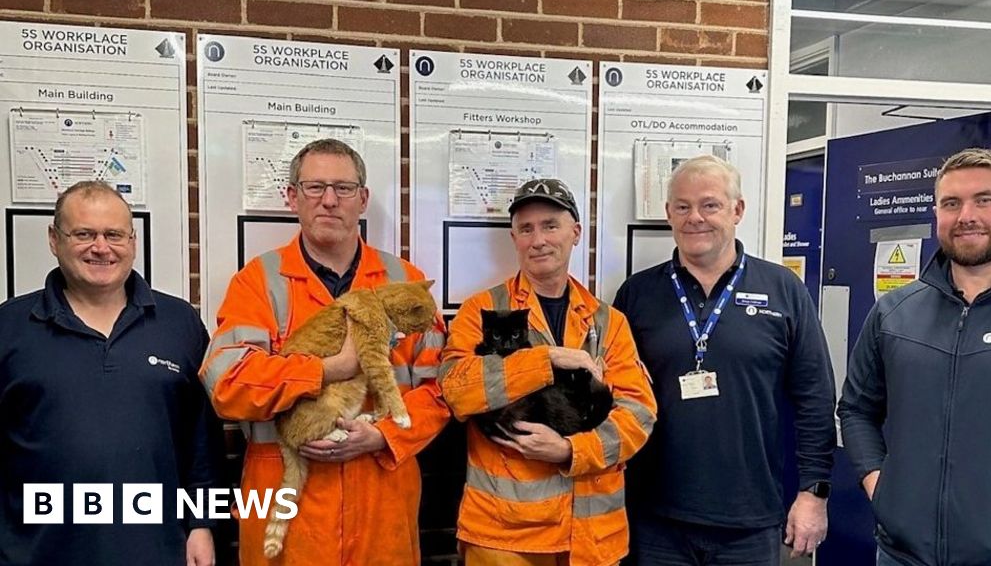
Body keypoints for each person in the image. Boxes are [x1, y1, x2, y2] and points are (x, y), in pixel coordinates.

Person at [200, 138, 449, 566]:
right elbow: (226, 384)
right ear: (293, 197)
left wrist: (384, 436)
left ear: (363, 199)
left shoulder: (404, 280)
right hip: (286, 491)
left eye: (344, 188)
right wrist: (328, 370)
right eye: (314, 187)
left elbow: (440, 390)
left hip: (382, 495)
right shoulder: (259, 281)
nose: (329, 200)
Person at [614, 155, 836, 565]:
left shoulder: (783, 289)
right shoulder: (637, 295)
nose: (695, 217)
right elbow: (617, 398)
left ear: (738, 210)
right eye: (682, 206)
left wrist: (814, 492)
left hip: (749, 522)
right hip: (656, 519)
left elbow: (815, 398)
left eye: (710, 205)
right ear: (668, 214)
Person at [0, 181, 220, 566]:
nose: (101, 247)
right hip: (35, 550)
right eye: (83, 234)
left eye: (114, 235)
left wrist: (202, 523)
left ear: (133, 241)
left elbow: (201, 437)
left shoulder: (179, 322)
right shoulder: (10, 326)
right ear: (54, 239)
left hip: (157, 547)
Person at [440, 178, 657, 566]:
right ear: (514, 238)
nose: (538, 239)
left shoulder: (609, 322)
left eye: (550, 225)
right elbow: (456, 390)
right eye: (526, 229)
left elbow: (639, 413)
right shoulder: (483, 310)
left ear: (575, 233)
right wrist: (545, 361)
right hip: (504, 538)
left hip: (593, 540)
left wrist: (570, 450)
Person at [838, 148, 991, 565]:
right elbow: (855, 409)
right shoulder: (895, 311)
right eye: (951, 203)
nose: (966, 215)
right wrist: (879, 483)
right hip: (903, 555)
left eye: (984, 200)